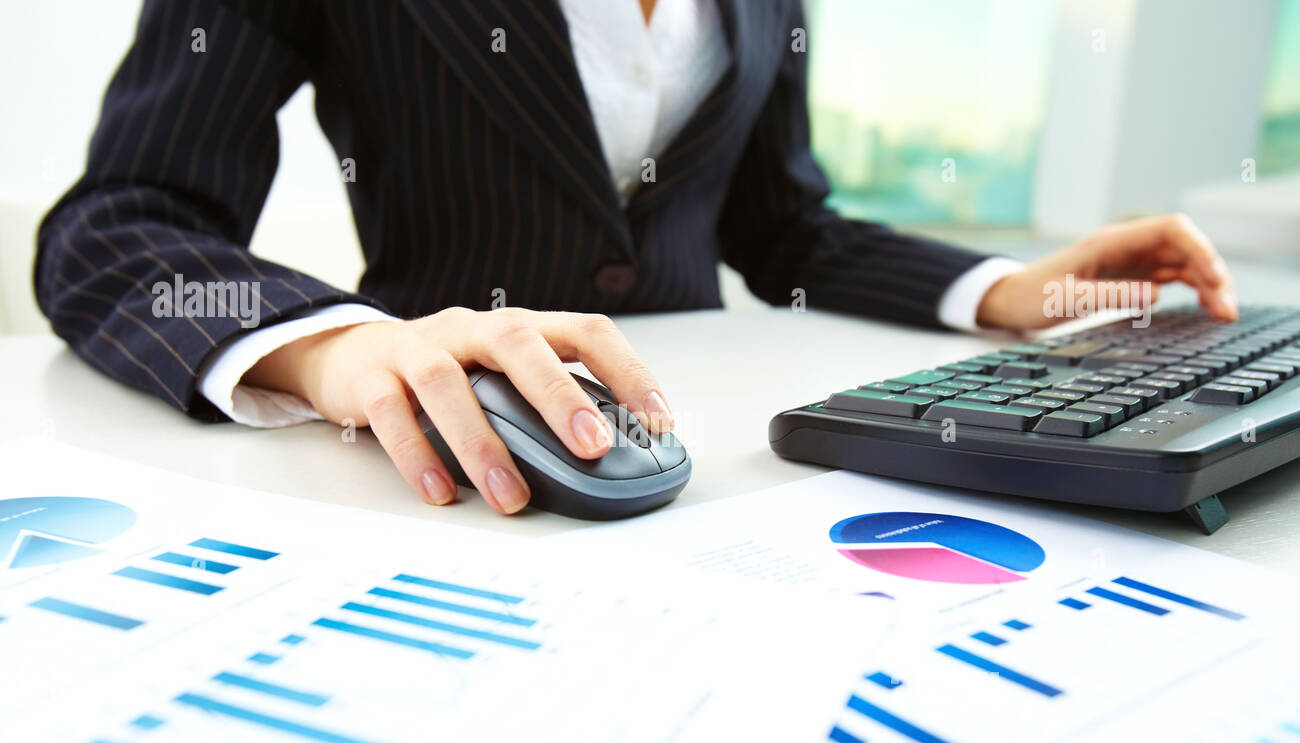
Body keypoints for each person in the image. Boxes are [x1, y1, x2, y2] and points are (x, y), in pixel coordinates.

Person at [36, 0, 1238, 515]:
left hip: (714, 434)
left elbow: (786, 231)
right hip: (433, 447)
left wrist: (1007, 290)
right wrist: (336, 348)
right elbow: (120, 219)